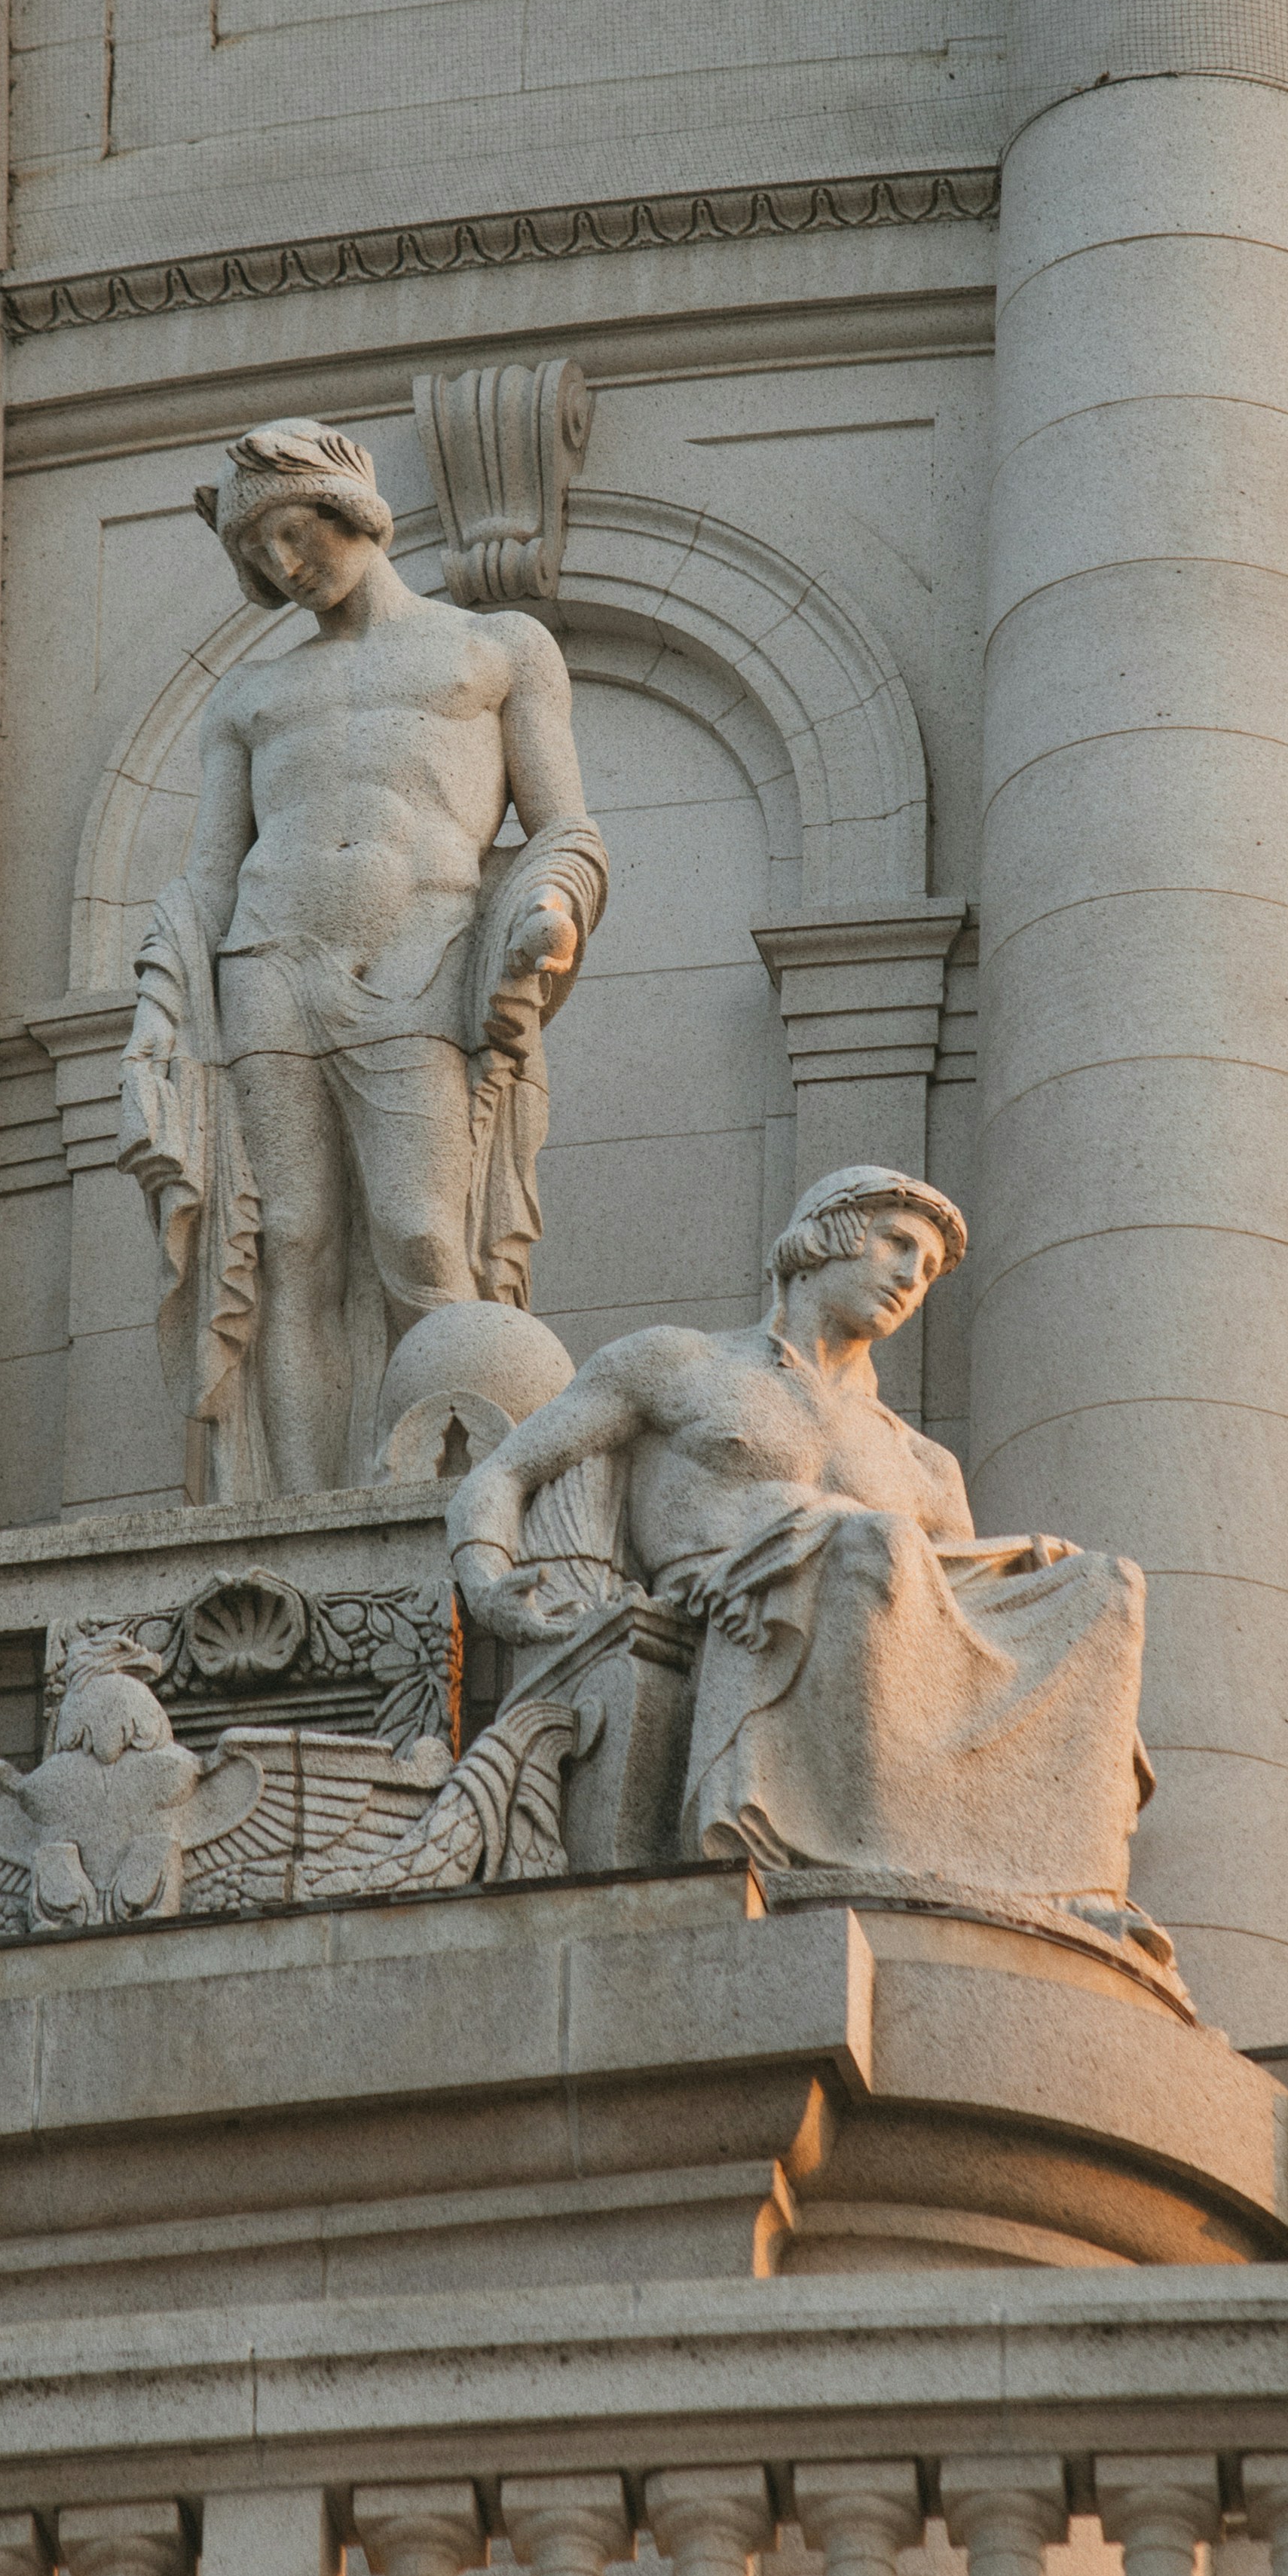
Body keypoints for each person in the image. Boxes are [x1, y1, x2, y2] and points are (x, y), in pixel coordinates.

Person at [445, 1166, 1166, 1953]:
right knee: (877, 1540)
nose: (911, 1278)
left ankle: (1066, 1882)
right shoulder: (682, 1365)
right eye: (896, 1244)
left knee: (1104, 1587)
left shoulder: (922, 1462)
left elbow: (943, 1623)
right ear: (821, 1239)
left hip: (867, 1617)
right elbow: (505, 1473)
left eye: (927, 1269)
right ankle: (862, 1853)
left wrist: (1017, 1571)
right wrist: (484, 1577)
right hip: (731, 1612)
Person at [118, 417, 607, 1495]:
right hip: (266, 963)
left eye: (294, 532)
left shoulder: (497, 648)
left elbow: (562, 827)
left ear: (351, 512)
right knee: (288, 1246)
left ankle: (458, 1485)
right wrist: (160, 1008)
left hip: (420, 956)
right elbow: (207, 875)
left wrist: (551, 907)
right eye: (258, 553)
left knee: (423, 1234)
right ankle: (296, 1513)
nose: (284, 564)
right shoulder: (248, 695)